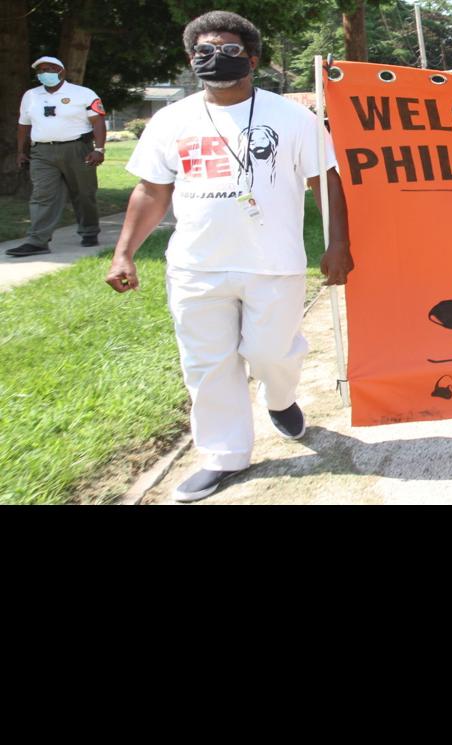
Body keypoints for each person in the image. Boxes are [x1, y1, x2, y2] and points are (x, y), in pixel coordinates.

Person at [104, 10, 353, 502]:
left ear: (253, 59)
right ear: (191, 59)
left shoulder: (292, 118)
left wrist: (338, 244)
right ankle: (224, 456)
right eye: (204, 50)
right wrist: (124, 253)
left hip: (274, 262)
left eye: (230, 49)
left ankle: (280, 399)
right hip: (196, 264)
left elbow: (326, 179)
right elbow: (153, 190)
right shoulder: (170, 120)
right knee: (207, 364)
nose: (215, 57)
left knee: (269, 353)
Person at [8, 56, 105, 257]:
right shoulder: (31, 95)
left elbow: (97, 121)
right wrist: (20, 151)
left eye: (49, 69)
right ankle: (37, 241)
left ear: (62, 71)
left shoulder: (83, 93)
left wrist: (99, 149)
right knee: (42, 196)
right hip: (42, 152)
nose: (44, 73)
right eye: (40, 70)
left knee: (84, 193)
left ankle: (89, 232)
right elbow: (23, 125)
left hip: (78, 148)